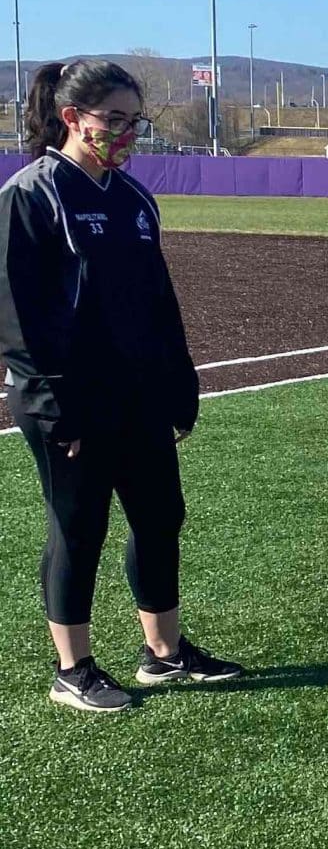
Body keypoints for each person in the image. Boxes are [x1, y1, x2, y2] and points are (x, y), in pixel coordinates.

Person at [0, 56, 243, 712]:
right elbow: (17, 319)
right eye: (114, 119)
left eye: (135, 121)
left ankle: (163, 655)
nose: (127, 133)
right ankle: (72, 671)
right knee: (78, 528)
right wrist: (58, 408)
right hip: (69, 402)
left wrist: (180, 383)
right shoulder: (32, 194)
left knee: (161, 517)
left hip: (138, 396)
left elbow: (158, 304)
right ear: (71, 117)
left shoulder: (136, 200)